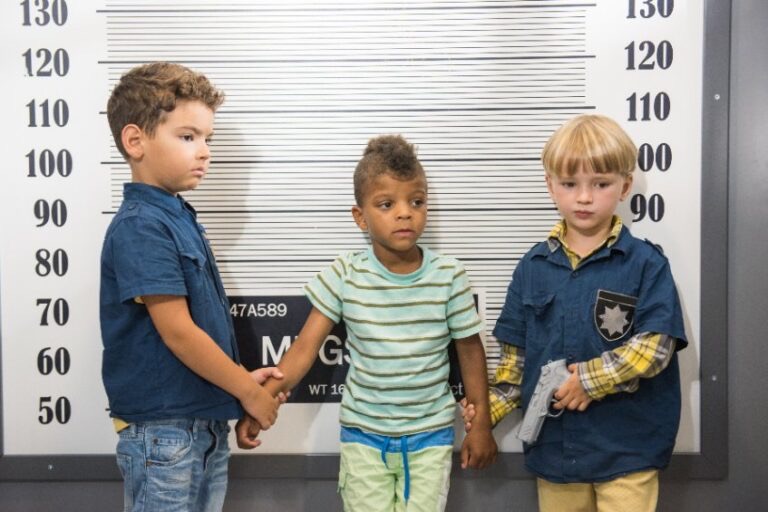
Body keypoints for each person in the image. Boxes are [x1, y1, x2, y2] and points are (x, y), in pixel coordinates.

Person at [237, 134, 497, 511]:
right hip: (364, 438)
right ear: (360, 217)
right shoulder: (346, 273)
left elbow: (470, 353)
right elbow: (304, 348)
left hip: (430, 437)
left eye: (417, 201)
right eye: (387, 204)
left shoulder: (449, 276)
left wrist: (482, 422)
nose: (405, 213)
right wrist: (261, 401)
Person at [466, 114, 687, 511]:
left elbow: (656, 347)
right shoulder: (531, 267)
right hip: (556, 450)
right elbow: (515, 366)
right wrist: (483, 414)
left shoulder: (645, 263)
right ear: (551, 186)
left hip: (628, 449)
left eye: (600, 184)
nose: (584, 197)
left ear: (625, 186)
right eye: (570, 184)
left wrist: (588, 380)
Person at [100, 62, 283, 512]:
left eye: (207, 139)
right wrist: (248, 392)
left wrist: (235, 389)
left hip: (200, 424)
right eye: (187, 137)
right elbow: (179, 332)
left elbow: (201, 328)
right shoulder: (141, 225)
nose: (204, 152)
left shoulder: (178, 216)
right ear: (135, 141)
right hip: (164, 435)